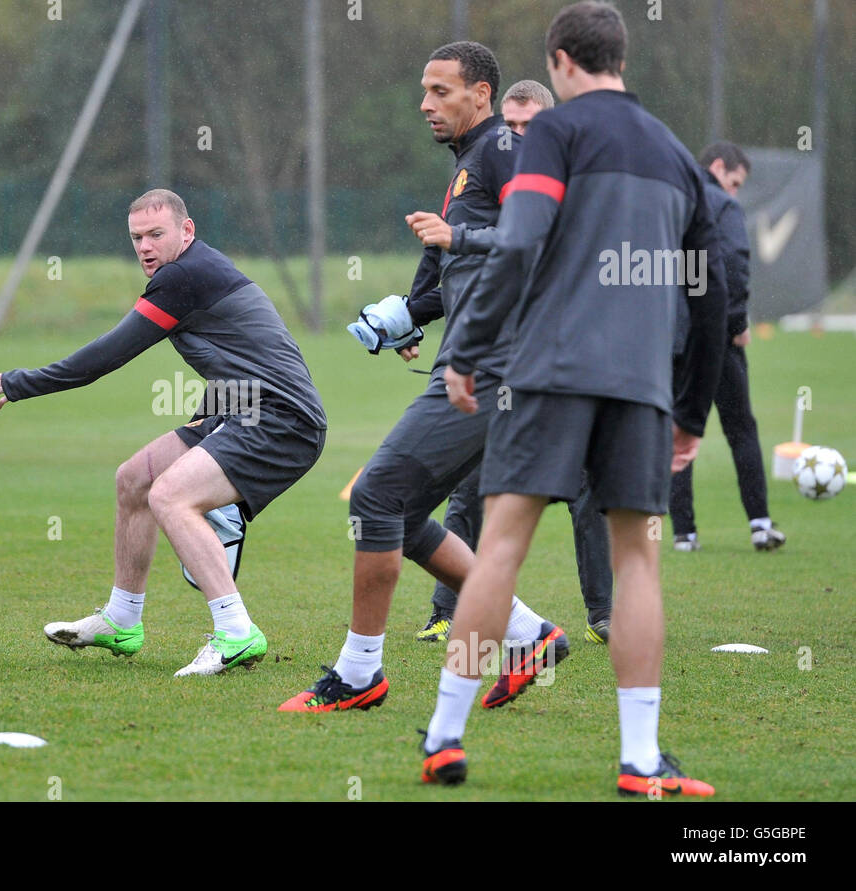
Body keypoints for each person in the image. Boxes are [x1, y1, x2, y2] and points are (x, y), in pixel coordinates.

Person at [418, 1, 726, 797]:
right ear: (621, 57)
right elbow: (713, 287)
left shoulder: (551, 132)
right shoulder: (671, 149)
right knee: (638, 561)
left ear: (559, 61)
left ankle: (446, 736)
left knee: (503, 545)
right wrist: (691, 410)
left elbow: (519, 243)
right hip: (640, 383)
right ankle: (640, 759)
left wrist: (466, 348)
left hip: (548, 371)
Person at [278, 42, 569, 715]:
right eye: (424, 90)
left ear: (482, 96)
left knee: (375, 498)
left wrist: (457, 242)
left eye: (441, 91)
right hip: (476, 363)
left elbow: (549, 241)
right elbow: (468, 270)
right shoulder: (471, 165)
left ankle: (359, 674)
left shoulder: (500, 150)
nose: (425, 104)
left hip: (494, 367)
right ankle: (529, 635)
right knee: (399, 512)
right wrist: (404, 317)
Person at [0, 189, 326, 677]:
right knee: (135, 479)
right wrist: (206, 419)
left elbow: (105, 356)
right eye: (136, 238)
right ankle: (122, 621)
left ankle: (235, 633)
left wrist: (23, 382)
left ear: (186, 231)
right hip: (240, 406)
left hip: (279, 419)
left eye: (156, 234)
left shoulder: (182, 277)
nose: (145, 246)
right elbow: (245, 357)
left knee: (170, 496)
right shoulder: (193, 271)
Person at [418, 76, 615, 648]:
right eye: (513, 126)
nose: (519, 136)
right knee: (468, 488)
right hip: (497, 364)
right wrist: (410, 315)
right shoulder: (488, 172)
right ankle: (446, 610)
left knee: (585, 490)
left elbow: (524, 245)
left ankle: (601, 613)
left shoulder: (562, 186)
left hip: (554, 363)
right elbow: (452, 262)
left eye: (531, 127)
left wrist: (460, 239)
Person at [669, 141, 784, 553]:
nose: (734, 191)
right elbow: (732, 265)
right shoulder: (721, 204)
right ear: (719, 168)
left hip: (671, 337)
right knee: (740, 427)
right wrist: (736, 324)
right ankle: (759, 523)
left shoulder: (673, 196)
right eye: (734, 182)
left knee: (678, 426)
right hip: (714, 334)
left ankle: (684, 534)